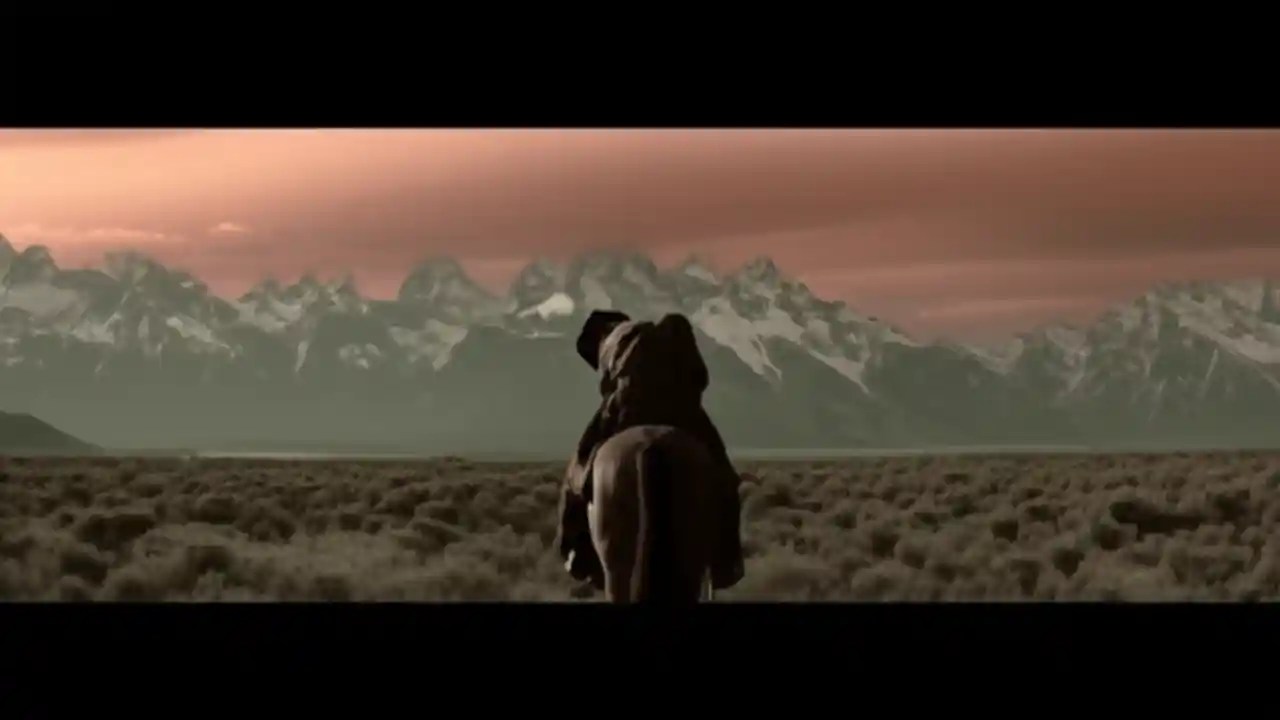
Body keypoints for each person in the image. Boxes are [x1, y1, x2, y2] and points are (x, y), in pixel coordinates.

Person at [556, 309, 746, 591]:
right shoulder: (657, 333)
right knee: (723, 474)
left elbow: (609, 388)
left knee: (579, 471)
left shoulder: (610, 341)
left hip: (627, 405)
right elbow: (698, 377)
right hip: (682, 410)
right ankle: (727, 560)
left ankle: (577, 553)